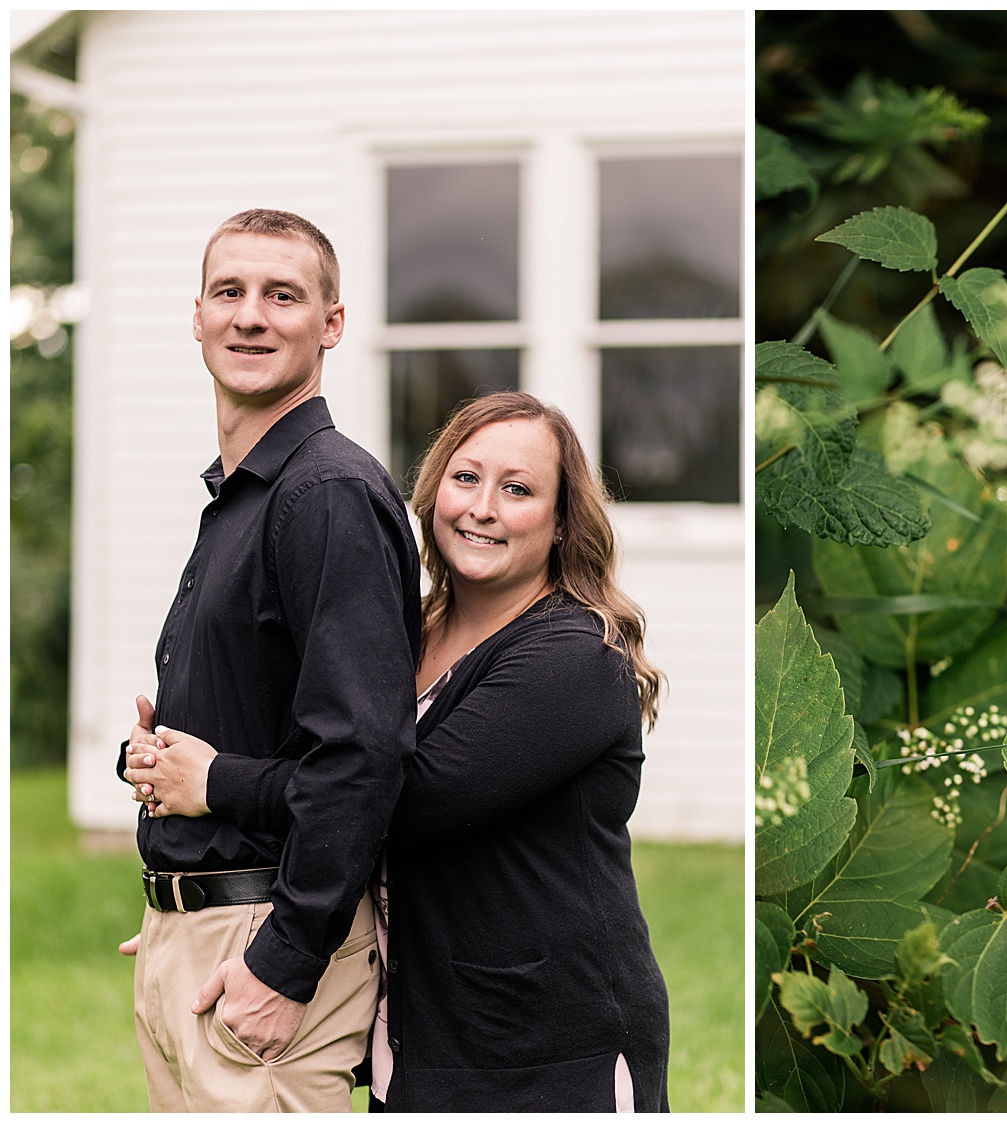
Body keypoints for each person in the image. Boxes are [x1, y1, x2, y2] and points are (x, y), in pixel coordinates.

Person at [126, 391, 672, 1111]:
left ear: (562, 521)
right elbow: (324, 756)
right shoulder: (410, 633)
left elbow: (401, 794)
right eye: (466, 477)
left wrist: (219, 781)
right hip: (422, 1025)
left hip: (547, 1041)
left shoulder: (575, 655)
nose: (482, 506)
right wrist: (210, 897)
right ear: (433, 488)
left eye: (518, 489)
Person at [118, 209, 423, 1112]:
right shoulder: (245, 496)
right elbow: (267, 721)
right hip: (194, 933)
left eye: (281, 295)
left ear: (331, 323)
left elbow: (365, 752)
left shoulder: (325, 492)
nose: (251, 315)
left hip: (267, 947)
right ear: (199, 315)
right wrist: (157, 782)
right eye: (230, 291)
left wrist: (282, 959)